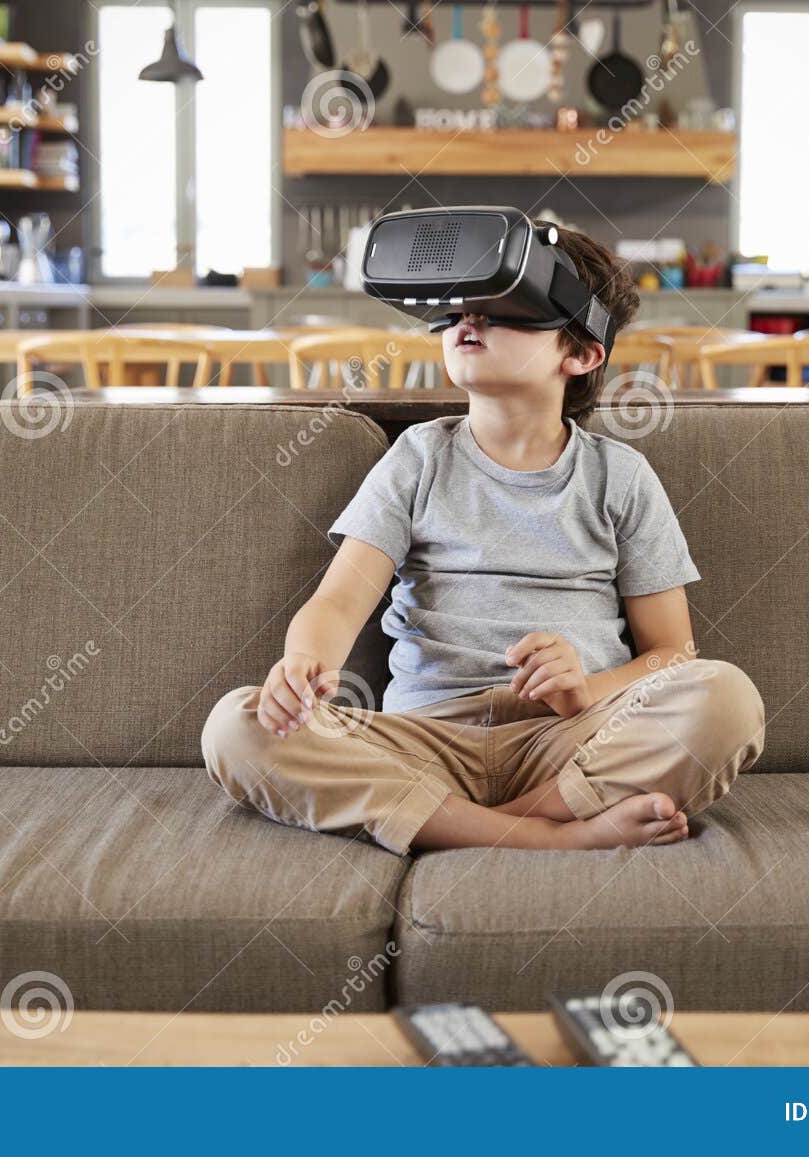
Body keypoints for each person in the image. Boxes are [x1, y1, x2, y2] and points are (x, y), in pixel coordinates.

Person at [201, 224, 764, 854]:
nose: (472, 319)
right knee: (237, 726)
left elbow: (671, 654)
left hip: (567, 737)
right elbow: (338, 603)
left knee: (725, 699)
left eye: (509, 310)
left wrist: (585, 691)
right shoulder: (417, 458)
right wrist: (305, 662)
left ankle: (471, 824)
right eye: (464, 307)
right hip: (423, 739)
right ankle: (551, 837)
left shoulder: (620, 477)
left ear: (580, 354)